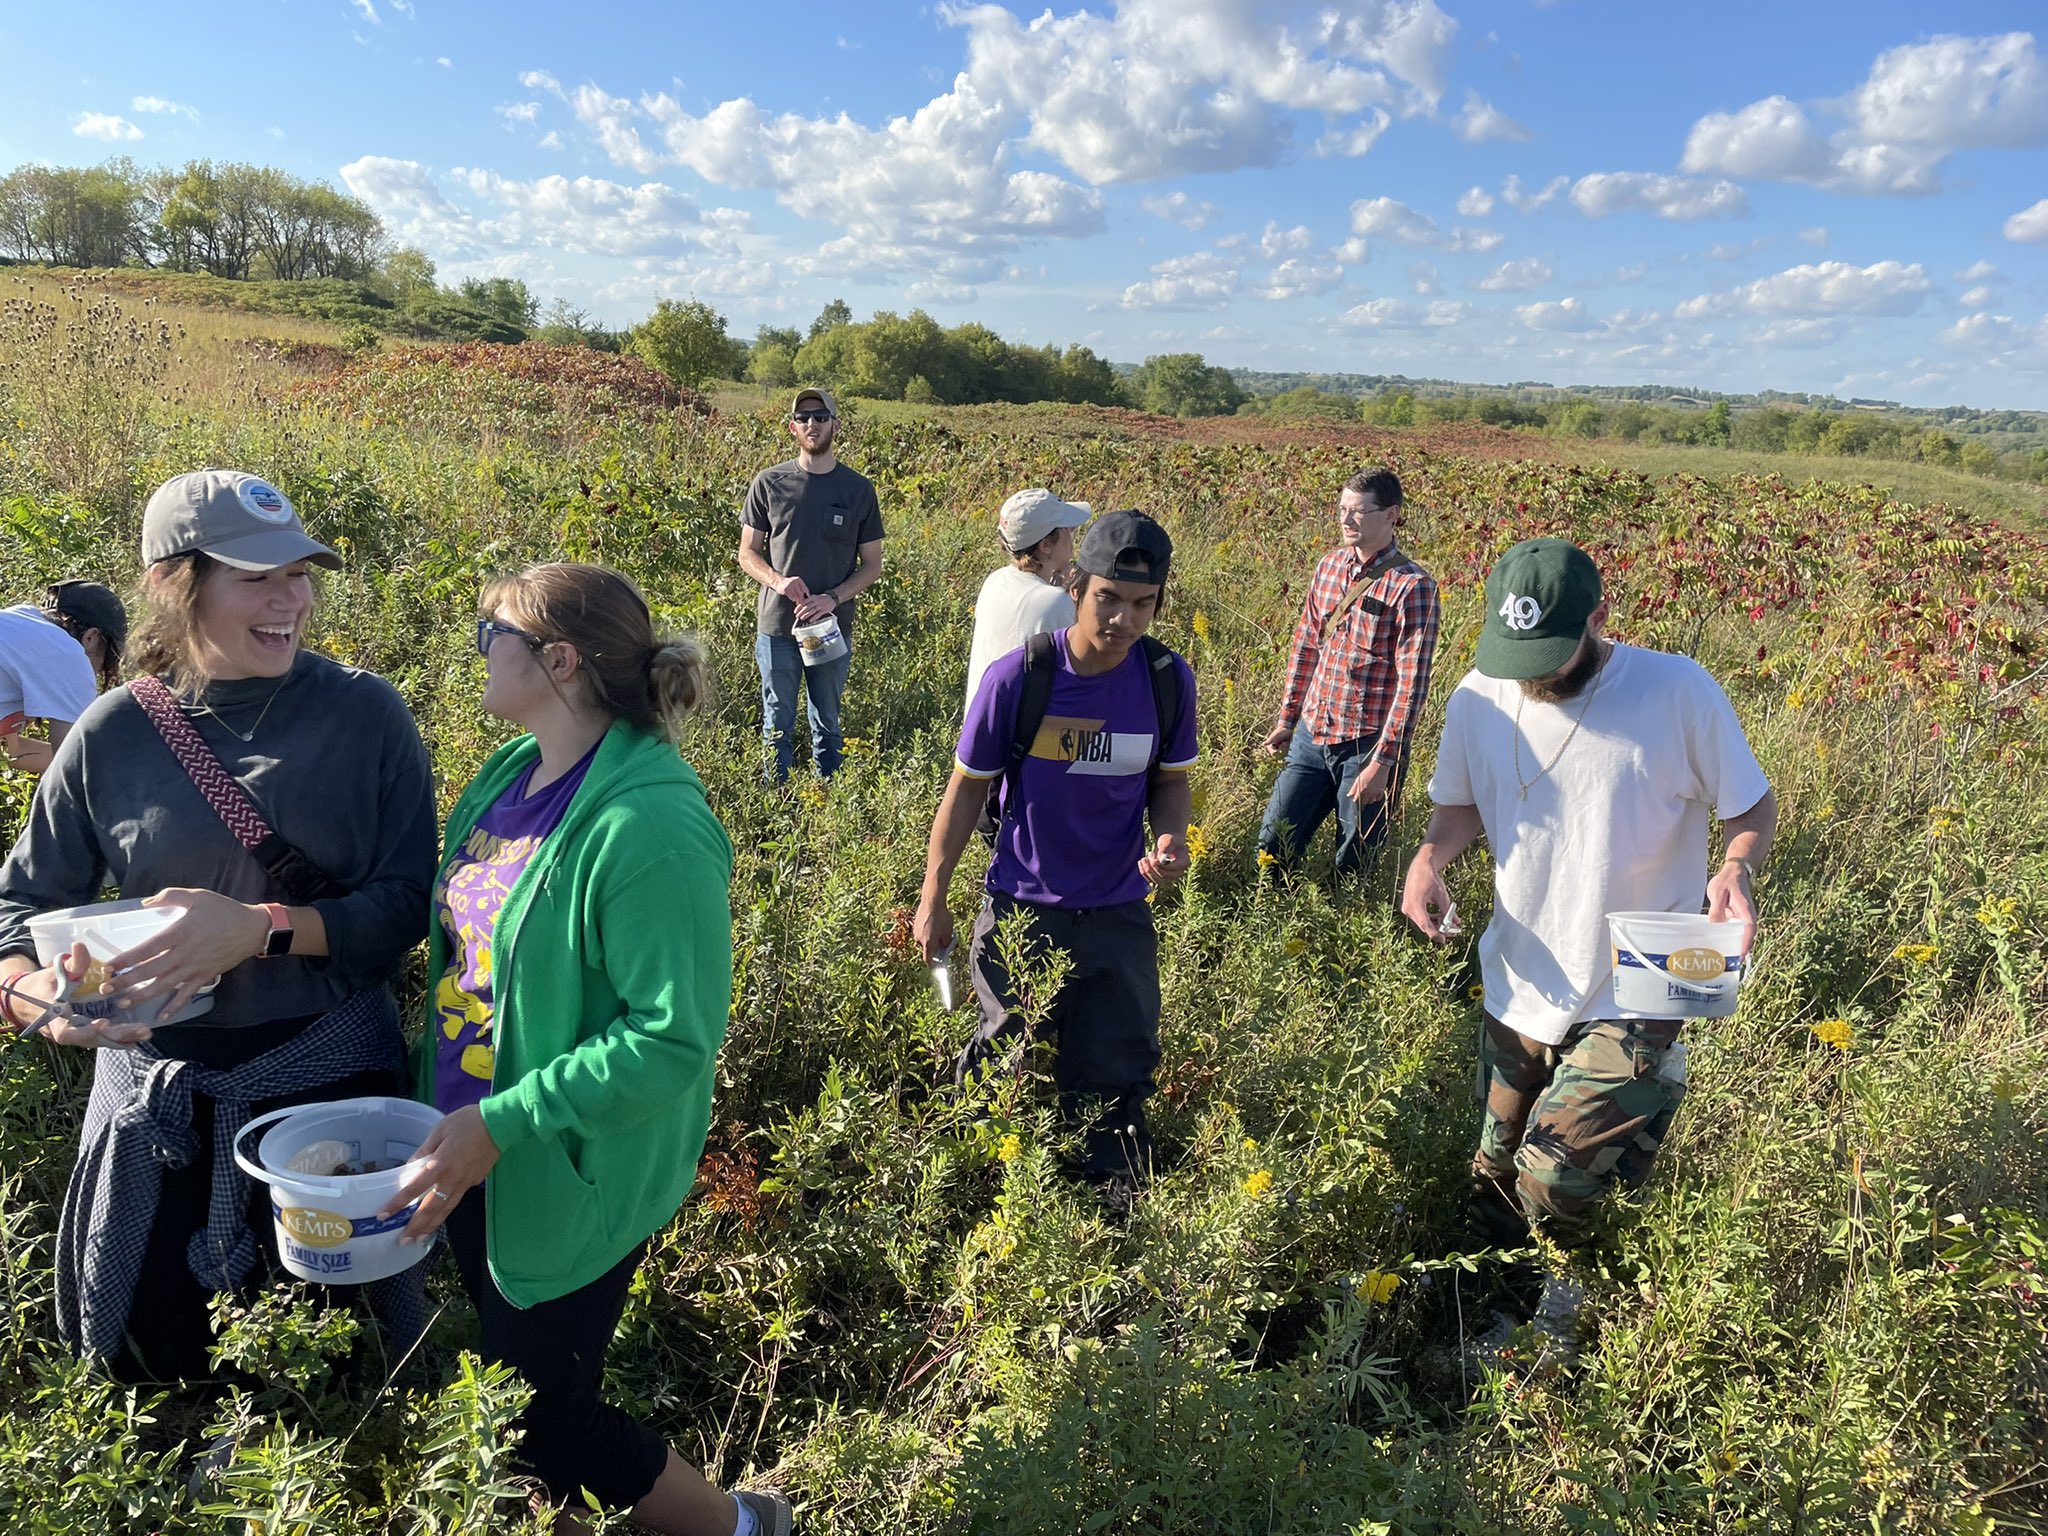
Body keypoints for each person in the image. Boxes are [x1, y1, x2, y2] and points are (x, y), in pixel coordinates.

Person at [0, 468, 438, 1382]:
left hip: (324, 1114)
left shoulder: (367, 716)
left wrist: (260, 930)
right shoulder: (111, 733)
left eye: (301, 573)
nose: (292, 600)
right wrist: (36, 992)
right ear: (173, 581)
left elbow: (403, 909)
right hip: (157, 1114)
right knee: (154, 1382)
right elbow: (17, 910)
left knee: (332, 1391)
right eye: (257, 577)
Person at [384, 563, 788, 1536]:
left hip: (562, 1166)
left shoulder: (649, 823)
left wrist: (503, 1120)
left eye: (496, 635)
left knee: (543, 1426)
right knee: (512, 1404)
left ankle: (744, 1524)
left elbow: (669, 1039)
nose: (480, 651)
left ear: (558, 661)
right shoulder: (509, 776)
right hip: (476, 1144)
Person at [1399, 537, 1777, 1348]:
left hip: (1651, 969)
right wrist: (1431, 857)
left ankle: (1571, 1306)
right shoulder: (1479, 694)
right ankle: (1487, 1316)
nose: (1528, 674)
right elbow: (1459, 804)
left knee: (1552, 1174)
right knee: (1495, 1174)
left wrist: (1736, 871)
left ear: (1601, 616)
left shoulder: (1677, 689)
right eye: (1515, 652)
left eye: (1547, 651)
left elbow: (1752, 806)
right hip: (1523, 969)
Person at [914, 510, 1197, 1202]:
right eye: (1109, 598)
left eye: (1142, 604)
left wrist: (1170, 840)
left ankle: (1109, 1198)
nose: (1124, 619)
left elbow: (1171, 782)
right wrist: (933, 896)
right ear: (1075, 585)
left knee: (1118, 1060)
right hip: (1024, 904)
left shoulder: (1166, 681)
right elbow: (964, 793)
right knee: (1002, 1051)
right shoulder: (1022, 678)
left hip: (1116, 910)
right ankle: (958, 1187)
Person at [1258, 467, 1439, 880]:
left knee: (1354, 862)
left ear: (1392, 515)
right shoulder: (1329, 567)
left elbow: (1412, 686)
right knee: (1272, 844)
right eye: (1342, 509)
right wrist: (1288, 719)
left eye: (1358, 512)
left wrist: (1385, 761)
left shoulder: (1412, 587)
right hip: (1312, 732)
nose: (1345, 520)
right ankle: (1276, 921)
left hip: (1367, 745)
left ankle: (1340, 930)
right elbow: (1306, 646)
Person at [737, 387, 884, 783]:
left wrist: (831, 599)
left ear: (836, 424)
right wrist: (779, 581)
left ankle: (831, 801)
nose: (812, 424)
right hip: (777, 628)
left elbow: (872, 566)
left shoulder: (858, 491)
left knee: (827, 721)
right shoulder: (769, 483)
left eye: (821, 416)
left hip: (829, 629)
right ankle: (777, 803)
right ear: (792, 428)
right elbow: (747, 553)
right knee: (777, 722)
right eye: (804, 418)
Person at [961, 488, 1089, 717]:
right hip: (1019, 745)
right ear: (1046, 546)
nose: (1073, 535)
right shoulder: (1055, 602)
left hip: (980, 734)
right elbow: (1084, 667)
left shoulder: (994, 581)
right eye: (1068, 529)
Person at [0, 578, 128, 775]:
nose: (98, 673)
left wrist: (118, 768)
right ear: (91, 638)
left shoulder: (22, 627)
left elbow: (14, 752)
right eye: (106, 661)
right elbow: (74, 770)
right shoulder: (69, 655)